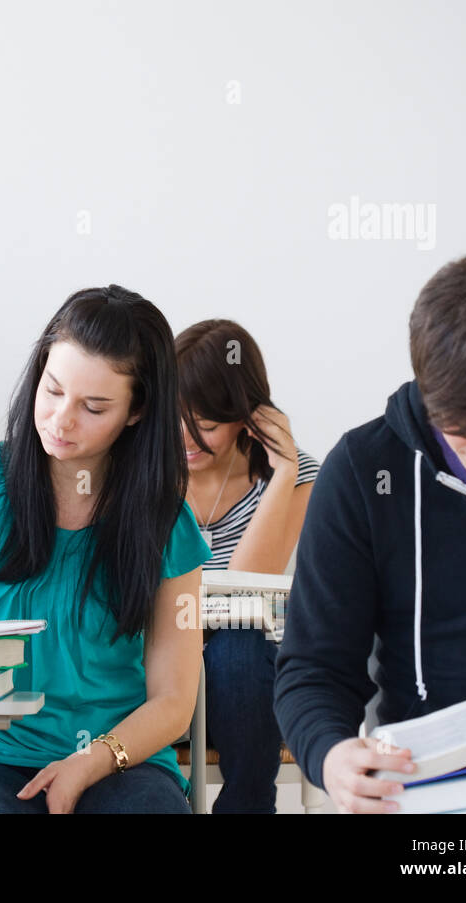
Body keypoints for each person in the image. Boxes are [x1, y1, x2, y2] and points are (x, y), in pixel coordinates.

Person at [0, 285, 209, 813]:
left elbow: (173, 702)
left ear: (137, 412)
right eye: (52, 391)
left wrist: (89, 762)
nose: (61, 420)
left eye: (94, 407)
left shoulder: (166, 524)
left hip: (119, 761)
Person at [275, 252, 466, 813]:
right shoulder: (362, 472)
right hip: (425, 788)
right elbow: (314, 667)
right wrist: (330, 756)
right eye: (461, 433)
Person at [176, 319, 319, 813]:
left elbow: (248, 588)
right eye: (175, 419)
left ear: (249, 417)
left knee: (238, 642)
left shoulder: (298, 478)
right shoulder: (147, 474)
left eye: (206, 426)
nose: (186, 440)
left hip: (246, 688)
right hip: (165, 673)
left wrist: (283, 471)